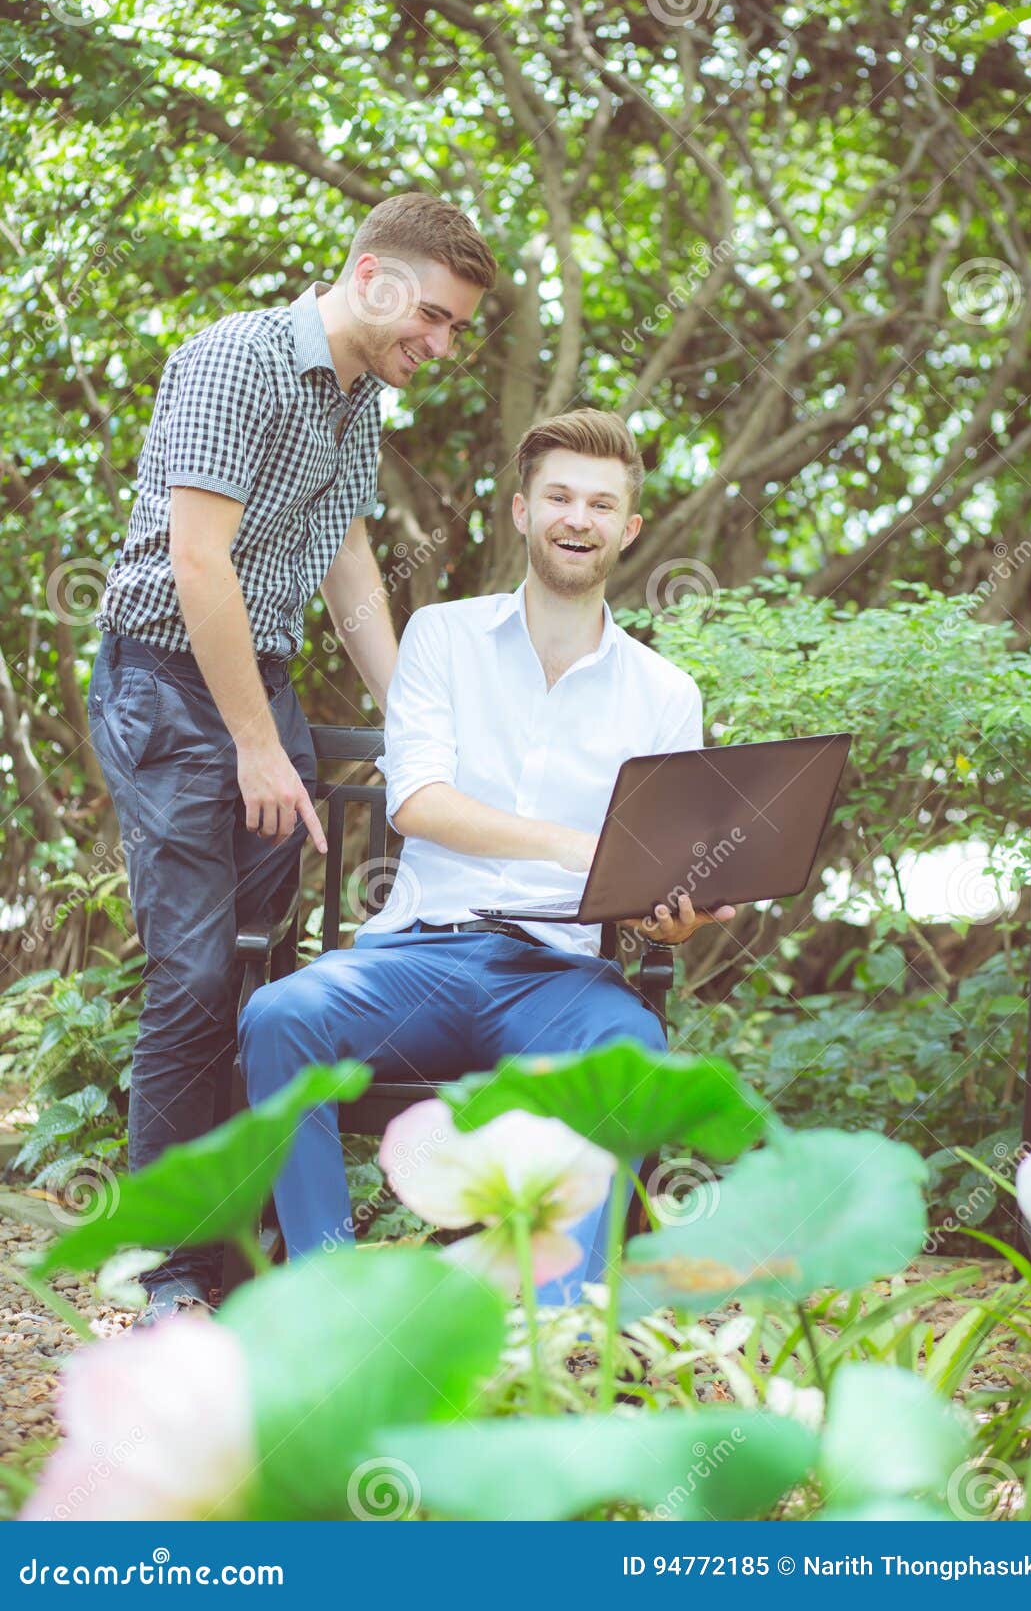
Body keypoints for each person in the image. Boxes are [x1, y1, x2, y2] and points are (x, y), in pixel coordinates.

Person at [89, 194, 497, 1323]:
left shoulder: (357, 398)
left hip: (252, 680)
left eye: (457, 327)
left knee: (258, 975)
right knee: (193, 973)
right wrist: (258, 746)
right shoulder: (239, 362)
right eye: (431, 316)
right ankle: (163, 1267)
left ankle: (240, 1244)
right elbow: (198, 563)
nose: (442, 343)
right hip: (164, 685)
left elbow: (346, 557)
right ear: (369, 277)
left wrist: (414, 716)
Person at [238, 408, 735, 1306]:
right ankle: (324, 1298)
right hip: (416, 957)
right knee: (280, 1015)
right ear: (520, 511)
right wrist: (581, 848)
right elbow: (418, 802)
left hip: (558, 977)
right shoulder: (442, 636)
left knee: (632, 1049)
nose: (576, 519)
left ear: (627, 529)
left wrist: (676, 914)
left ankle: (562, 1325)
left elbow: (665, 868)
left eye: (599, 504)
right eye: (557, 497)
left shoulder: (665, 694)